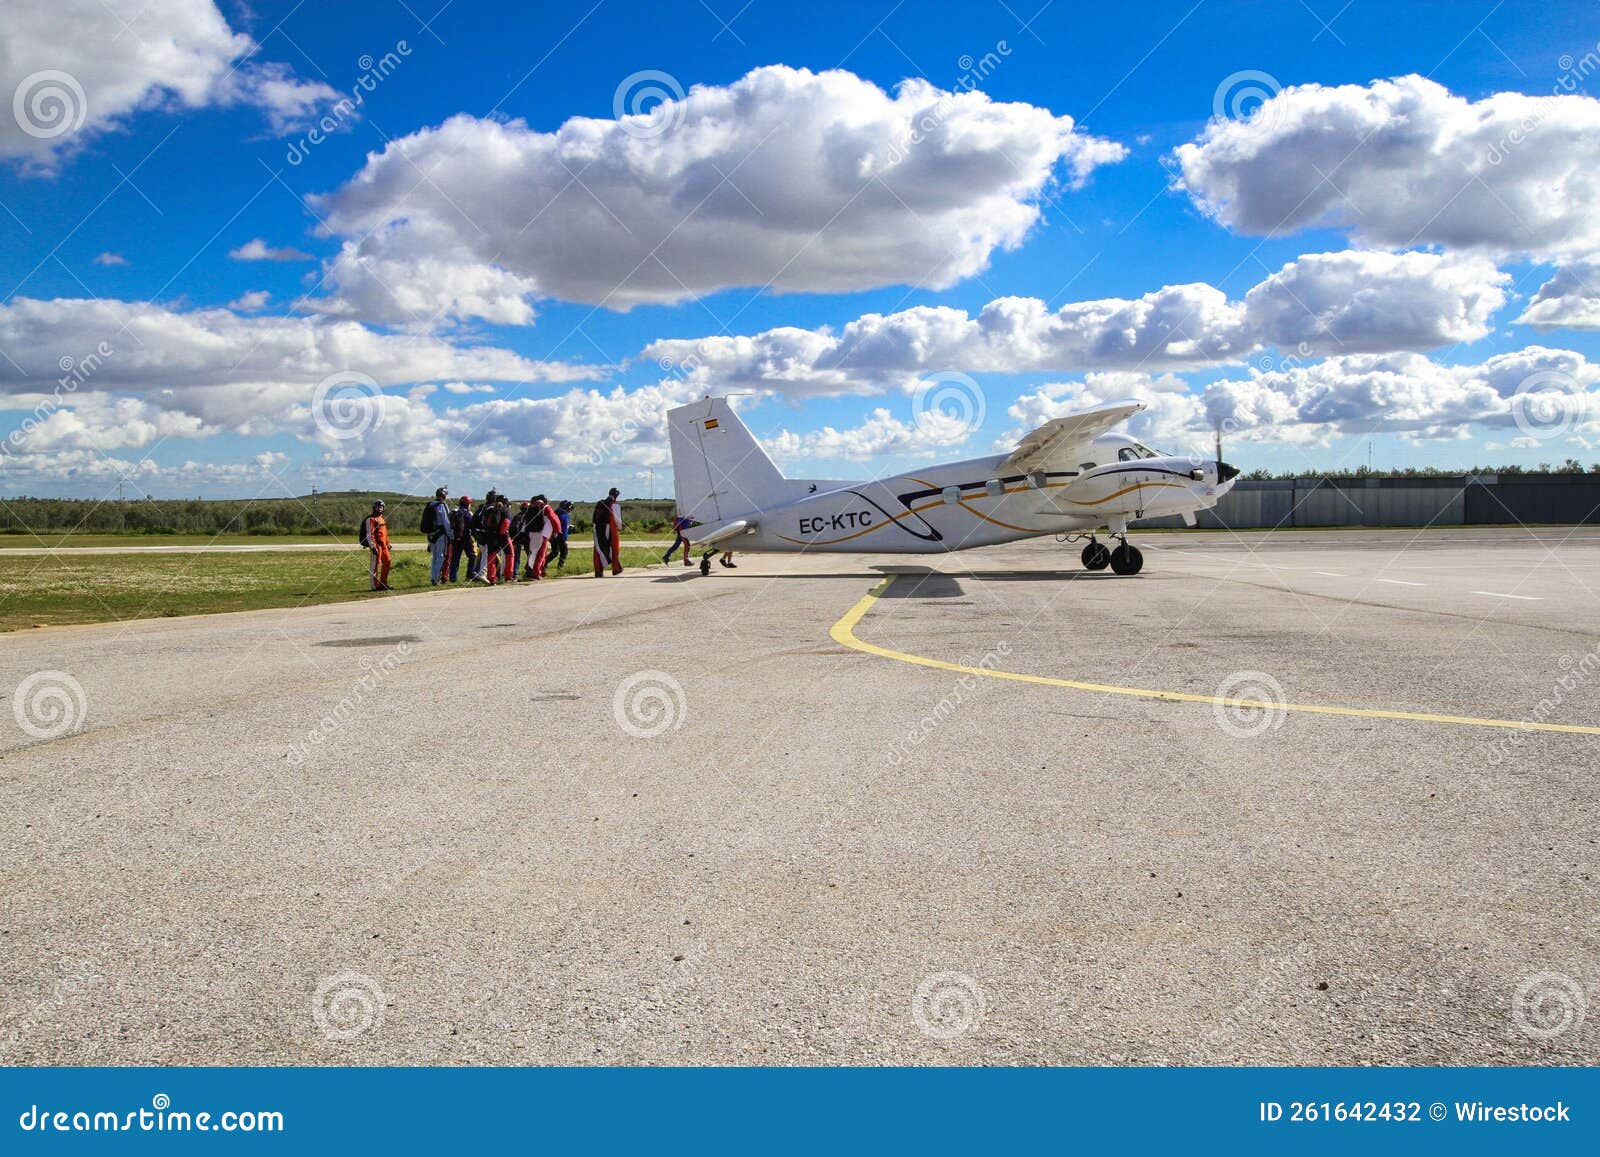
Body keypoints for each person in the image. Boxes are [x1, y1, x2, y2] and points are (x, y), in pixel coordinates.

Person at [359, 500, 391, 590]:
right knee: (375, 565)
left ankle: (383, 584)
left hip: (384, 545)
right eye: (378, 507)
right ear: (374, 507)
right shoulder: (371, 519)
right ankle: (374, 586)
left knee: (387, 562)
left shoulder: (381, 518)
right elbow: (370, 534)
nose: (380, 508)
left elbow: (385, 534)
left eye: (381, 507)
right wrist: (373, 547)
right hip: (376, 546)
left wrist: (388, 544)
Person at [592, 486, 623, 577]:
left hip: (597, 527)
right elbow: (618, 520)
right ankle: (616, 569)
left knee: (598, 549)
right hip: (610, 527)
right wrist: (620, 527)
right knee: (614, 548)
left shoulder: (600, 503)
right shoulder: (615, 504)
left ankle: (598, 571)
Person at [425, 486, 453, 584]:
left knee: (435, 557)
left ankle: (433, 577)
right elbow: (446, 522)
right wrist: (451, 535)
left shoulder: (430, 504)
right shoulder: (442, 505)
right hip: (441, 535)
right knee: (441, 556)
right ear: (444, 496)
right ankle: (435, 578)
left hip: (430, 535)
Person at [527, 495, 560, 580]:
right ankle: (536, 572)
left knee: (533, 552)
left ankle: (531, 570)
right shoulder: (545, 507)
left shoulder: (530, 508)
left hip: (532, 533)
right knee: (540, 554)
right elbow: (554, 519)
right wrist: (557, 530)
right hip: (542, 534)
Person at [447, 496, 476, 581]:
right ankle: (469, 575)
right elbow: (472, 524)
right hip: (466, 538)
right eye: (470, 503)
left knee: (455, 558)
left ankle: (453, 577)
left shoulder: (455, 511)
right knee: (472, 556)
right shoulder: (467, 513)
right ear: (467, 504)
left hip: (456, 537)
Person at [548, 500, 573, 571]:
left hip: (554, 535)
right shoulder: (564, 515)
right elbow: (562, 527)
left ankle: (545, 563)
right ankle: (560, 566)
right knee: (564, 551)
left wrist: (568, 526)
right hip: (560, 536)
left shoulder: (556, 513)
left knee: (555, 552)